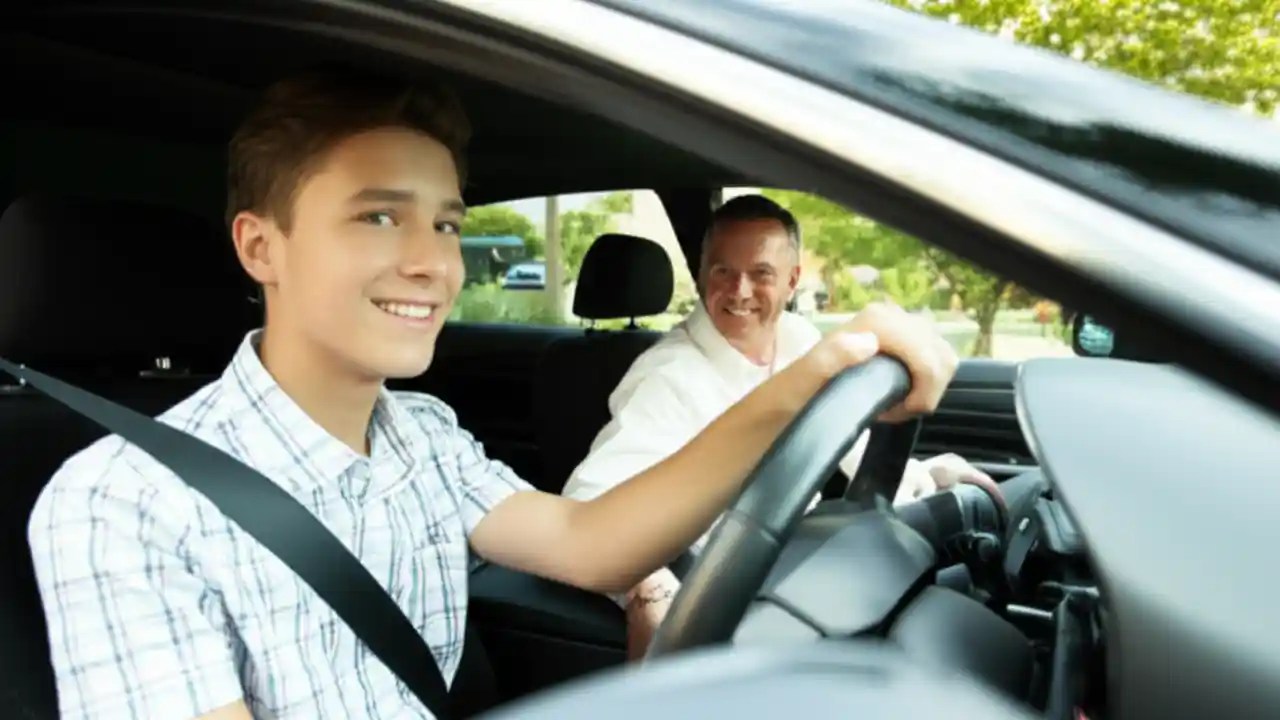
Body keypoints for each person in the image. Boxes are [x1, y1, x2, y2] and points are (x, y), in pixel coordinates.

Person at [25, 72, 961, 720]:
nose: (434, 262)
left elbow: (591, 546)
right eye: (379, 215)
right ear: (260, 247)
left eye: (445, 221)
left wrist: (818, 375)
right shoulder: (119, 503)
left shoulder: (422, 434)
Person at [562, 194, 999, 660]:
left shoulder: (798, 341)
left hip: (799, 570)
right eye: (723, 271)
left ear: (792, 281)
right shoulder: (669, 375)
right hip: (722, 603)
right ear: (702, 274)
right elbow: (588, 503)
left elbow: (844, 443)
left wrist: (924, 477)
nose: (740, 291)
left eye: (761, 274)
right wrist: (647, 592)